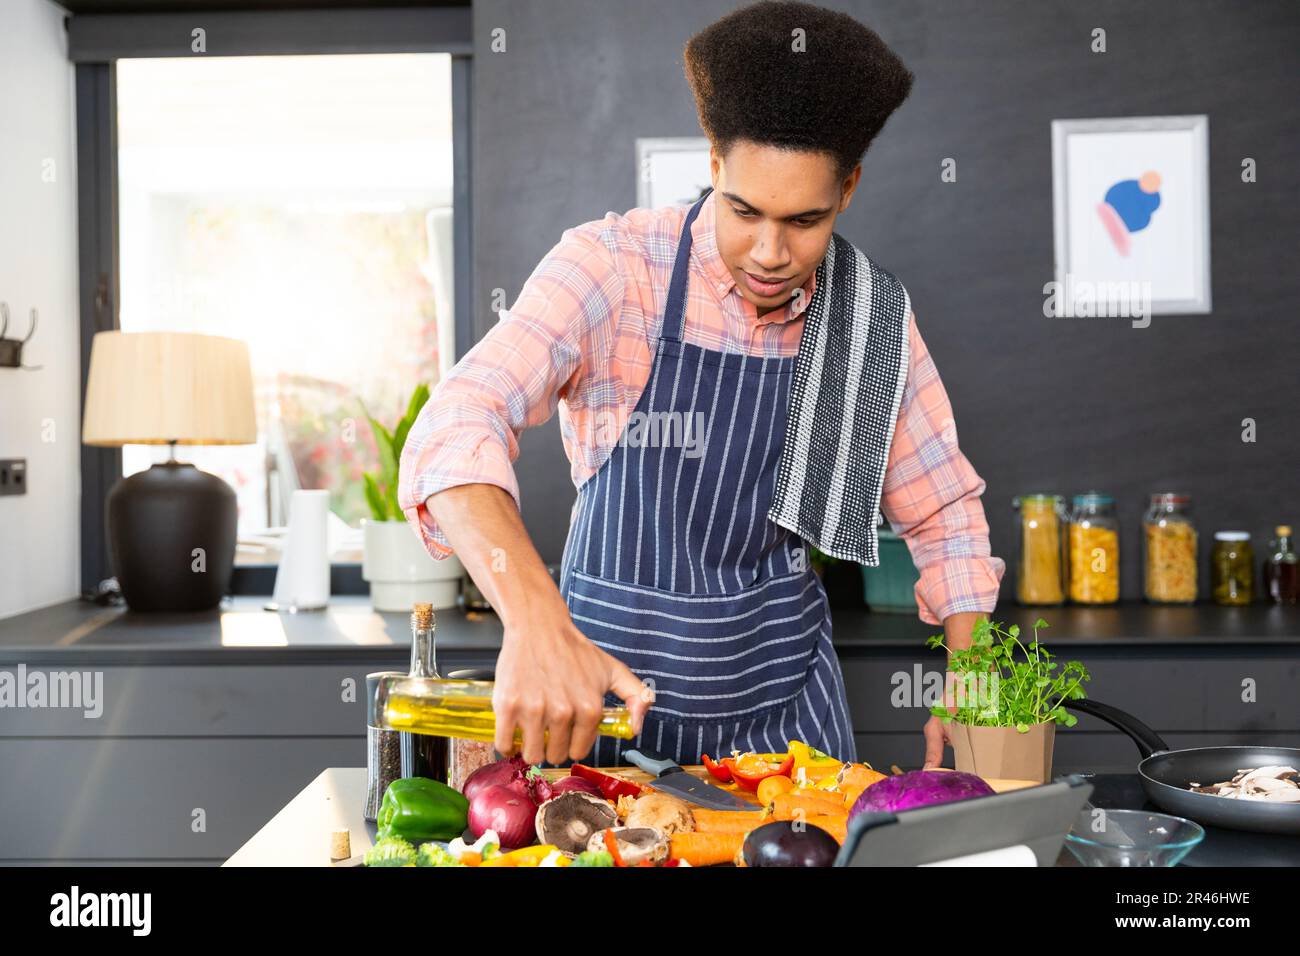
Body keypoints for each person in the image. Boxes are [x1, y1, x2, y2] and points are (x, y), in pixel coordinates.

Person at [398, 0, 1004, 770]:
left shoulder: (871, 314)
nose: (770, 252)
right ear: (713, 166)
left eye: (805, 221)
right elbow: (456, 423)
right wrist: (534, 619)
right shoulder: (613, 270)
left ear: (848, 189)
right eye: (744, 210)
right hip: (606, 712)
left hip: (788, 722)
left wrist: (974, 688)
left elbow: (946, 514)